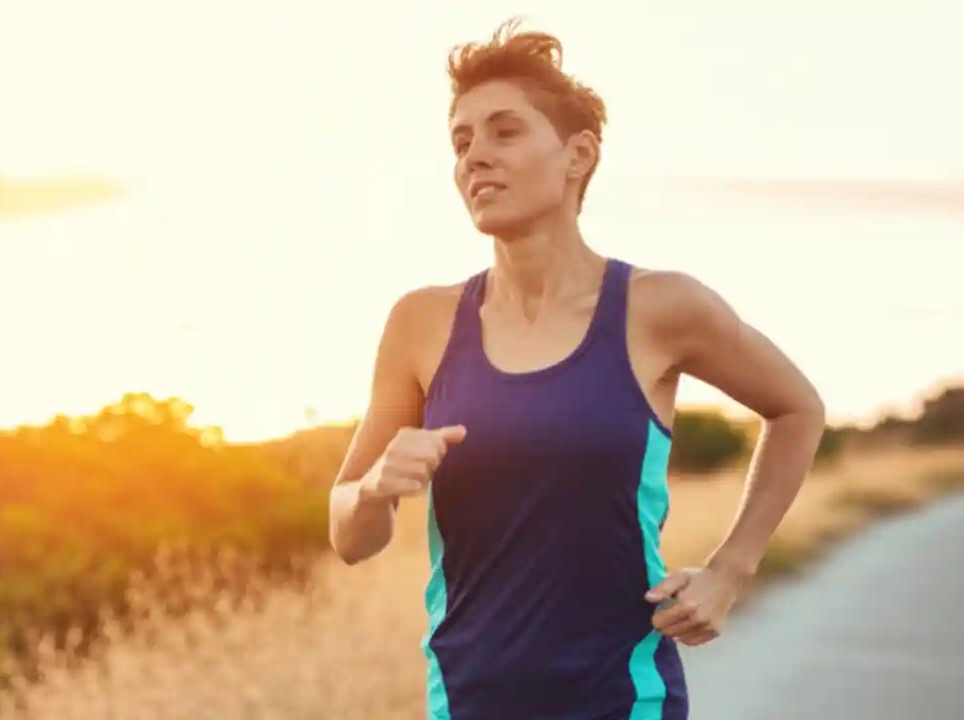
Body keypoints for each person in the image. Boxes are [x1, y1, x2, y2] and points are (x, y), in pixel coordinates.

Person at [327, 18, 827, 720]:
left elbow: (797, 407)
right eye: (461, 141)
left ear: (578, 155)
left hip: (622, 699)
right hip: (466, 702)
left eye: (505, 132)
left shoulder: (659, 307)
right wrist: (376, 486)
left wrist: (731, 571)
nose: (476, 157)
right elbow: (348, 532)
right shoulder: (422, 323)